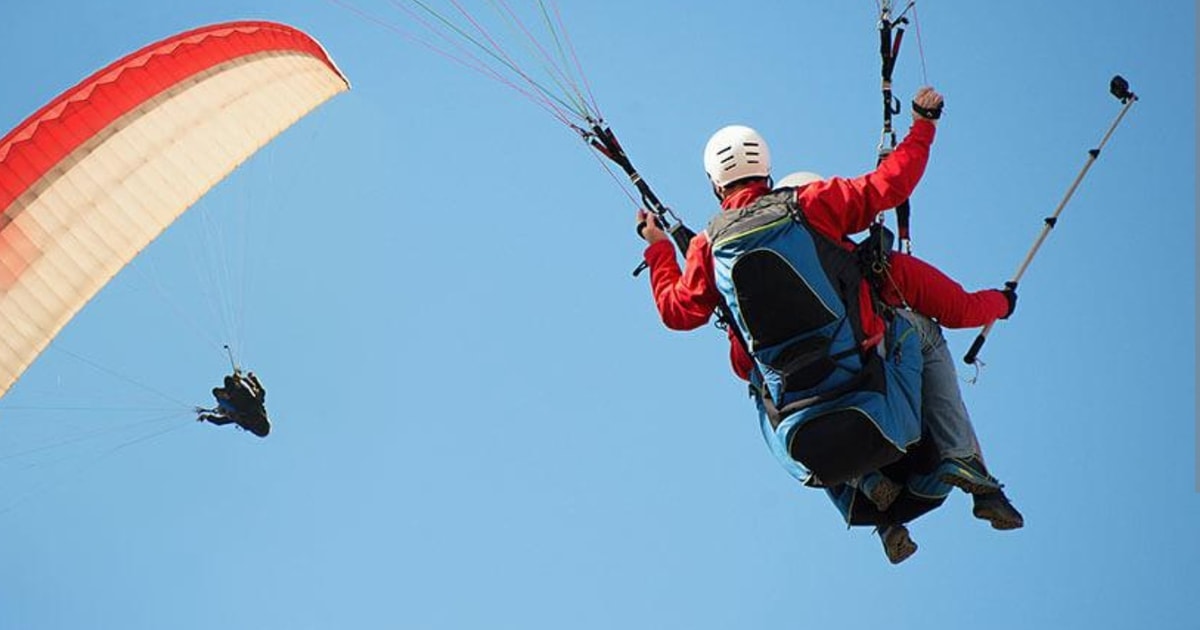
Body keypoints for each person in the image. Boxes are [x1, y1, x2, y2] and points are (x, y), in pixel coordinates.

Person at [637, 87, 1019, 563]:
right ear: (769, 172)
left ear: (716, 184)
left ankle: (874, 505)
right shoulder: (814, 205)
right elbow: (891, 186)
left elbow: (678, 312)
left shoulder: (707, 248)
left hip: (804, 430)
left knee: (756, 380)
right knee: (918, 326)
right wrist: (923, 125)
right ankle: (963, 458)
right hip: (868, 383)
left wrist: (658, 249)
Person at [198, 371, 270, 438]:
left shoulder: (246, 420)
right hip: (237, 395)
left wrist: (252, 379)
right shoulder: (246, 422)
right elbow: (220, 421)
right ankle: (232, 388)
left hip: (238, 395)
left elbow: (261, 392)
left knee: (224, 384)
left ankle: (232, 387)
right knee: (222, 386)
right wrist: (206, 417)